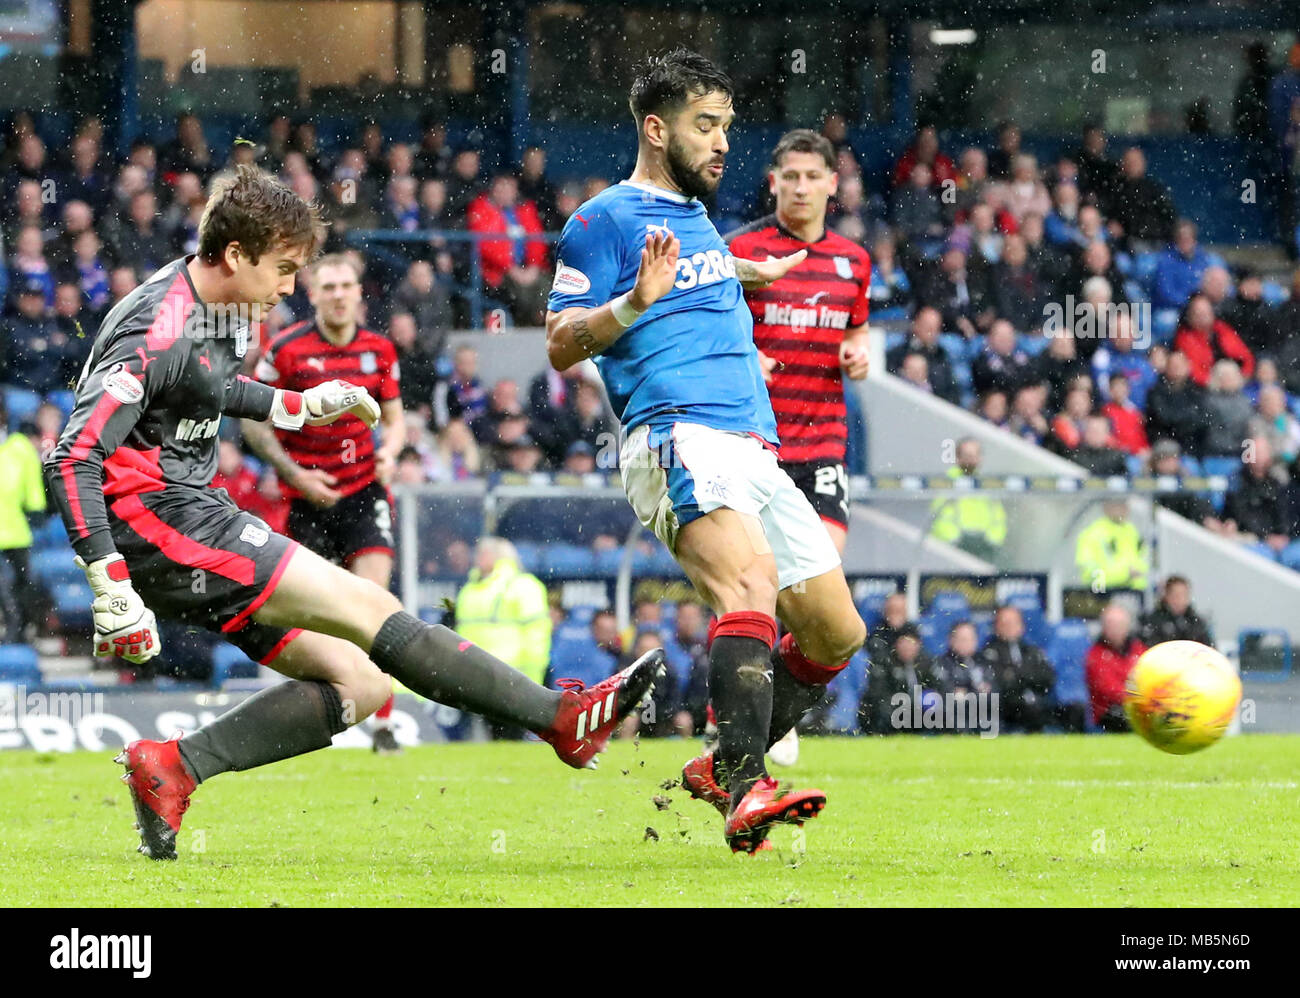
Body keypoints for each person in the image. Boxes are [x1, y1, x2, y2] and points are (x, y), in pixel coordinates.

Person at [45, 165, 663, 861]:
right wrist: (108, 580)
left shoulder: (214, 303)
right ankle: (561, 718)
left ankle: (174, 768)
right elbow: (70, 457)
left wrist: (295, 405)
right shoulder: (156, 327)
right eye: (282, 269)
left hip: (192, 512)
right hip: (158, 521)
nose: (289, 288)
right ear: (237, 254)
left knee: (361, 684)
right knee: (369, 605)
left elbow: (202, 382)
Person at [543, 48, 865, 852]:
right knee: (750, 582)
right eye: (705, 126)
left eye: (727, 126)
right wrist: (634, 301)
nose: (724, 144)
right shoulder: (602, 220)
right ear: (656, 129)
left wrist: (736, 271)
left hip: (754, 444)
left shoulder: (699, 219)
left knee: (835, 632)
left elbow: (696, 275)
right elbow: (558, 343)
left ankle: (725, 759)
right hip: (675, 431)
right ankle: (743, 785)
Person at [240, 253, 408, 754]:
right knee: (305, 613)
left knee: (376, 603)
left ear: (360, 293)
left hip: (363, 491)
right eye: (328, 286)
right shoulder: (286, 350)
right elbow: (253, 420)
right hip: (305, 498)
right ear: (311, 294)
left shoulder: (380, 350)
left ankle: (383, 726)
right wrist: (294, 474)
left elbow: (396, 419)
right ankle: (310, 712)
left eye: (345, 286)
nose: (337, 294)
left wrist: (392, 454)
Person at [453, 537, 552, 740]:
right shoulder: (469, 588)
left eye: (484, 553)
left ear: (499, 556)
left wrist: (533, 676)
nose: (478, 558)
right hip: (474, 671)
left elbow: (537, 633)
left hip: (510, 672)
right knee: (477, 734)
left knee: (509, 734)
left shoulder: (523, 586)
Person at [0, 398, 47, 640]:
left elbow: (34, 497)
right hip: (15, 531)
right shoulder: (19, 448)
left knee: (18, 589)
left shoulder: (20, 447)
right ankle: (16, 632)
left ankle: (18, 634)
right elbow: (35, 498)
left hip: (15, 532)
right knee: (14, 589)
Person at [978, 605, 1056, 733]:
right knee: (1029, 710)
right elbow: (1001, 682)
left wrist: (1018, 676)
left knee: (1073, 710)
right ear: (996, 626)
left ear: (1022, 626)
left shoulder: (1031, 650)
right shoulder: (989, 651)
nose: (1010, 627)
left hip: (1037, 702)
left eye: (1014, 622)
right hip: (1007, 707)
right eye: (1005, 623)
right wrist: (1027, 678)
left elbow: (1048, 678)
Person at [929, 438, 1007, 562]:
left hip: (984, 552)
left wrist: (991, 541)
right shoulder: (947, 482)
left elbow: (999, 518)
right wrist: (956, 541)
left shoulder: (986, 484)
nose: (971, 459)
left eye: (975, 455)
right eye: (967, 455)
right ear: (958, 458)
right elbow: (938, 517)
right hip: (952, 554)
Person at [1085, 602, 1146, 731]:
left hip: (1139, 706)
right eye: (1111, 625)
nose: (1115, 630)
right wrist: (1139, 697)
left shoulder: (1139, 649)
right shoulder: (1095, 655)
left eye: (1119, 625)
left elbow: (1151, 675)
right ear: (1104, 628)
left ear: (1127, 627)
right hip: (1110, 714)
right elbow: (1109, 690)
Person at [1075, 499, 1149, 591]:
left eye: (1124, 504)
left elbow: (1144, 560)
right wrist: (1124, 574)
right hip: (1104, 593)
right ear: (1106, 507)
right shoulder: (1093, 533)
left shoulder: (1132, 531)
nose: (1123, 509)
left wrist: (1136, 573)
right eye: (1117, 505)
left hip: (1135, 592)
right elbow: (1089, 570)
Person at [1140, 575, 1212, 647]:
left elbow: (1209, 649)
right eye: (1176, 595)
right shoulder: (1153, 622)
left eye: (1184, 595)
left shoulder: (1197, 623)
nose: (1181, 600)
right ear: (1167, 596)